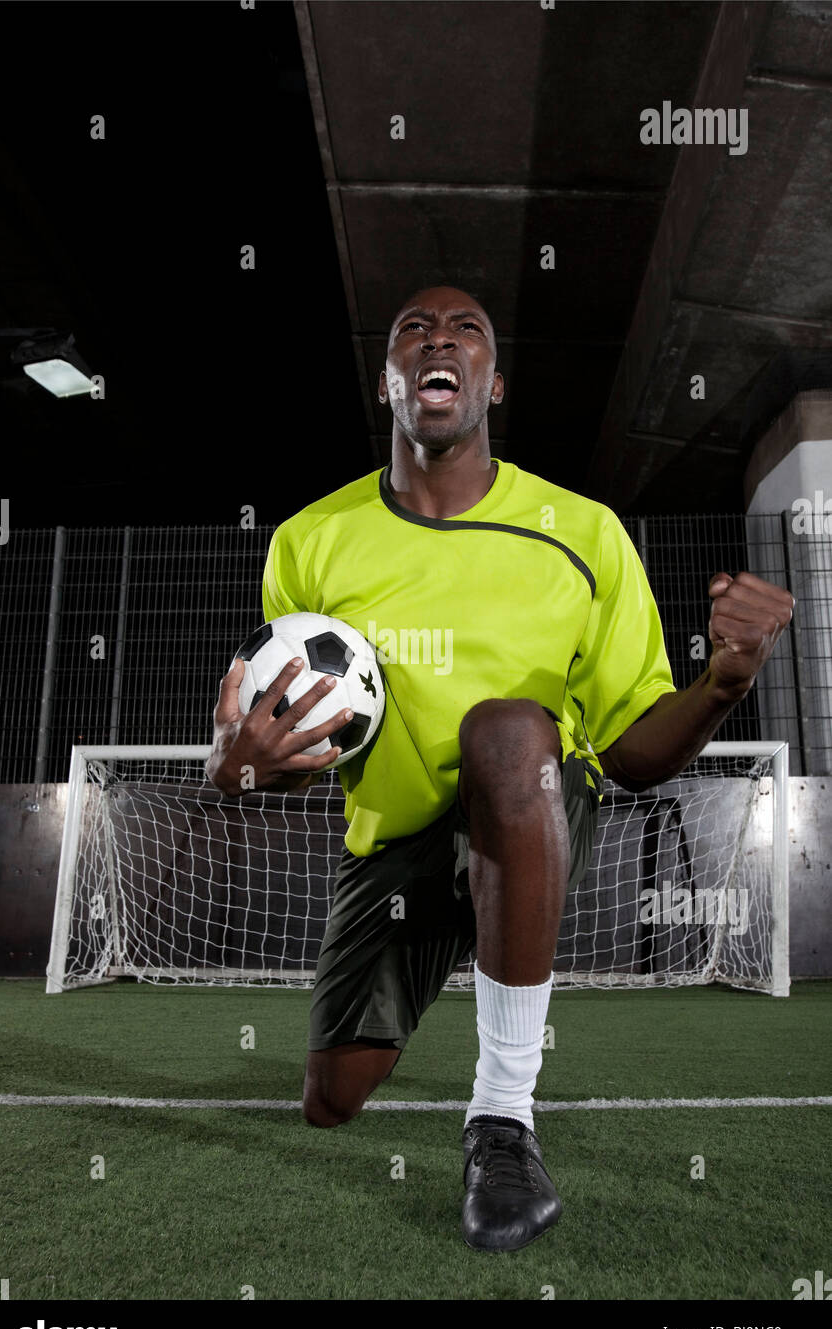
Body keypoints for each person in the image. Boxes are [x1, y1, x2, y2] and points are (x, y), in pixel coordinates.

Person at [206, 285, 794, 1253]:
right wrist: (238, 765)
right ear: (388, 382)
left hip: (527, 802)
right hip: (392, 850)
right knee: (329, 1099)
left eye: (464, 331)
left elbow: (631, 751)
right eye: (412, 332)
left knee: (510, 734)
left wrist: (720, 685)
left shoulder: (583, 536)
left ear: (493, 380)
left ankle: (501, 1119)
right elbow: (284, 754)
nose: (438, 340)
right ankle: (446, 942)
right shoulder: (307, 543)